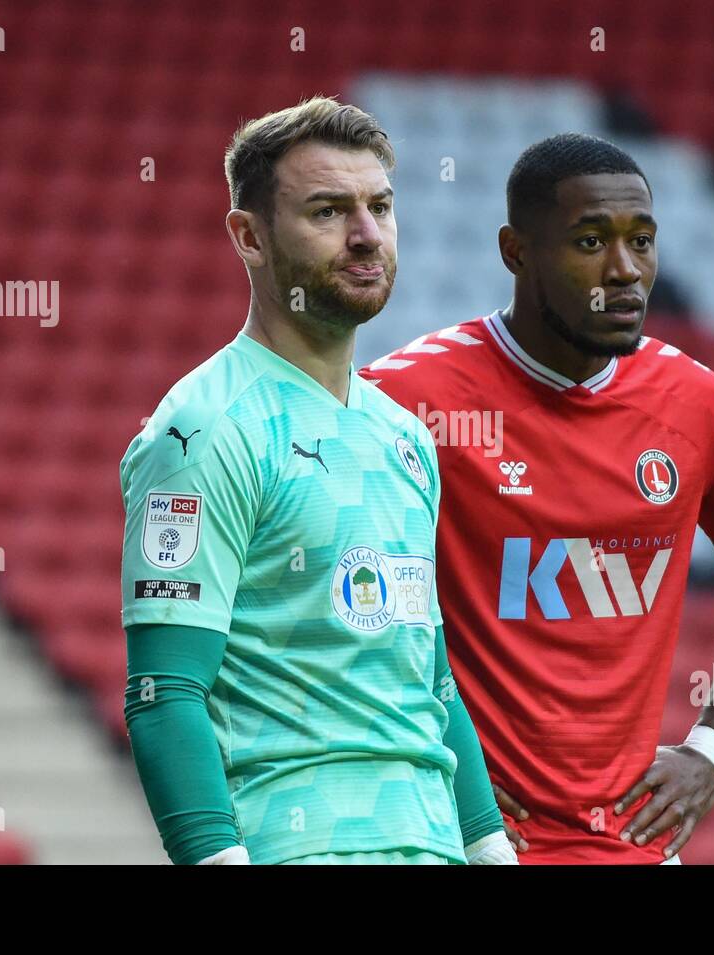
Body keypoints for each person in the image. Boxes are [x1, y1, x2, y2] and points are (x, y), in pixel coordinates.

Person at [362, 133, 714, 863]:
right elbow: (332, 592)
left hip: (631, 842)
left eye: (642, 240)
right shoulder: (406, 400)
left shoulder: (697, 405)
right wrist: (418, 750)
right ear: (517, 252)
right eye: (591, 240)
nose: (625, 270)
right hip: (452, 838)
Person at [119, 97, 513, 865]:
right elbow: (164, 692)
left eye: (381, 207)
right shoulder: (204, 431)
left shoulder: (403, 437)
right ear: (250, 237)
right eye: (329, 211)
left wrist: (492, 850)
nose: (367, 235)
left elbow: (430, 681)